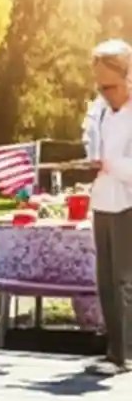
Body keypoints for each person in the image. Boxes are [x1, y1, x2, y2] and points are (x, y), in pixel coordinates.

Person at [83, 39, 132, 376]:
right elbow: (91, 145)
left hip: (128, 202)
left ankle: (123, 354)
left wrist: (110, 163)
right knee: (105, 279)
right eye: (99, 86)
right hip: (103, 200)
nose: (105, 93)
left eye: (111, 86)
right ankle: (114, 350)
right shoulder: (99, 110)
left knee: (124, 279)